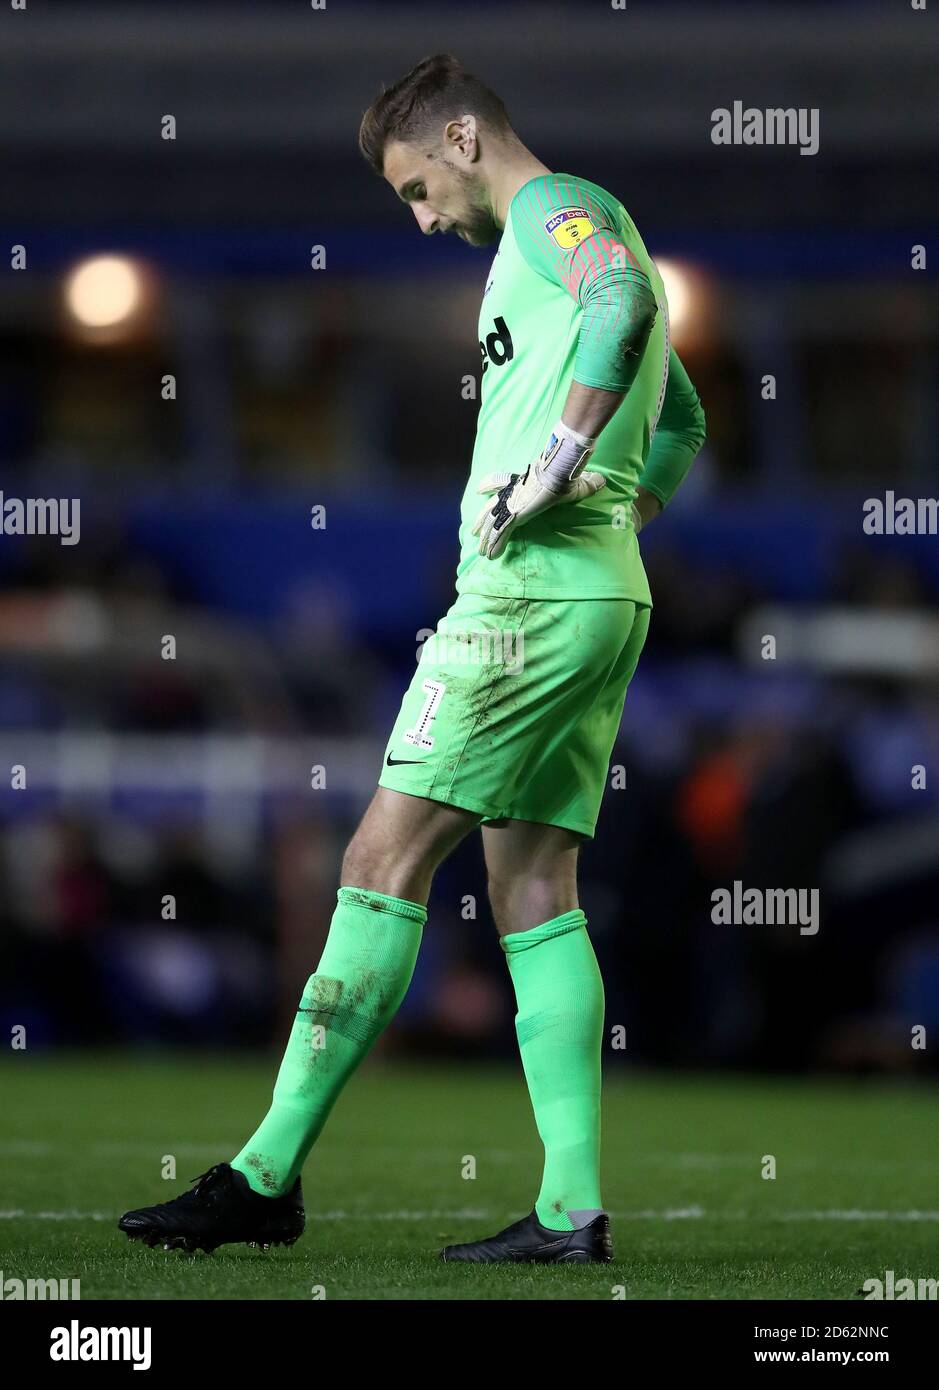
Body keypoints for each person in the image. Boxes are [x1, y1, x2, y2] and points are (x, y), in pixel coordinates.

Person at [119, 53, 706, 1265]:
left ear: (461, 136)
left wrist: (553, 470)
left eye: (416, 190)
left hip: (526, 599)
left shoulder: (555, 210)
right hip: (602, 594)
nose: (425, 217)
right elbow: (686, 416)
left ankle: (264, 1175)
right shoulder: (564, 239)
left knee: (379, 859)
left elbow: (622, 306)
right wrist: (615, 510)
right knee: (533, 890)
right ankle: (571, 1211)